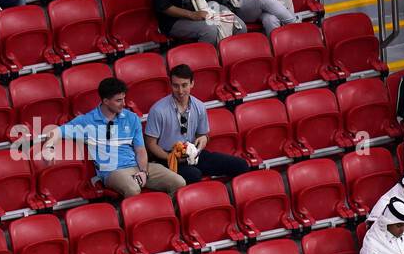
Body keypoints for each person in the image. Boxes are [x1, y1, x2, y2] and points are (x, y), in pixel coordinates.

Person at [42, 76, 186, 198]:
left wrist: (143, 171)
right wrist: (49, 147)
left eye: (124, 99)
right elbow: (56, 132)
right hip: (112, 172)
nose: (124, 104)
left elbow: (140, 150)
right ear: (105, 101)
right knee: (133, 189)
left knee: (179, 182)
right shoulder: (87, 121)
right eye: (118, 100)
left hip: (138, 166)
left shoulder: (131, 118)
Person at [144, 64, 251, 183]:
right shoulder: (158, 110)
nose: (180, 91)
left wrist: (203, 139)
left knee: (241, 165)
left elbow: (203, 135)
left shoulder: (199, 106)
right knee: (194, 175)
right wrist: (170, 157)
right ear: (170, 84)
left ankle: (228, 196)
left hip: (192, 153)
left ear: (192, 84)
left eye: (184, 85)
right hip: (167, 157)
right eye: (176, 86)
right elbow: (150, 144)